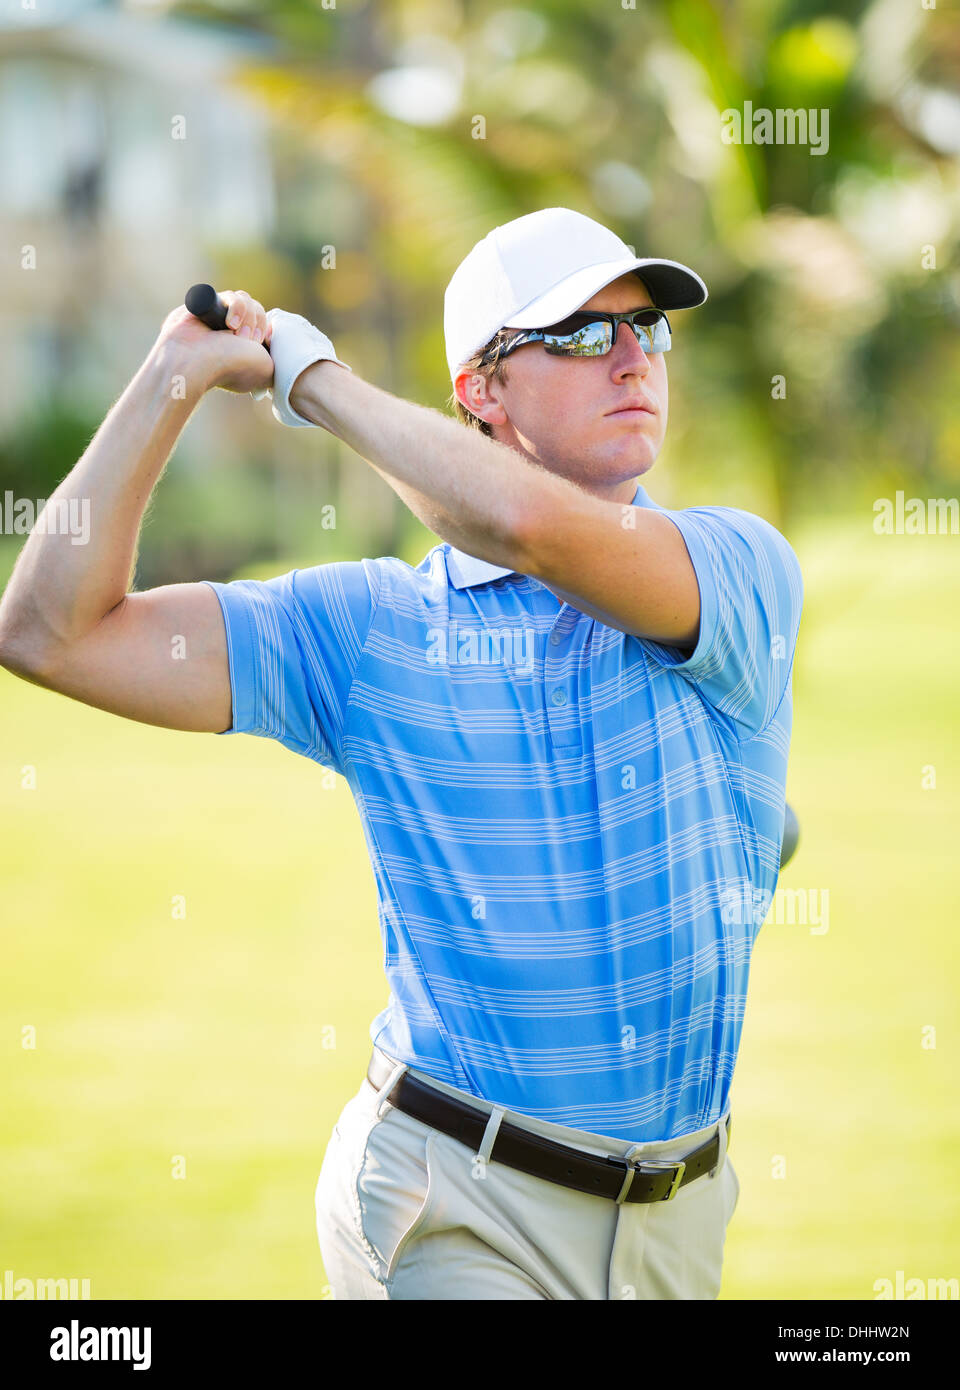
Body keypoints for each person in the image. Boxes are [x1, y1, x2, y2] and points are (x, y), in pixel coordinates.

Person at [0, 207, 803, 1301]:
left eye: (647, 329)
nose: (632, 358)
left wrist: (310, 378)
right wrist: (173, 377)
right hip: (451, 1202)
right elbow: (49, 630)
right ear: (480, 391)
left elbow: (534, 530)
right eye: (578, 335)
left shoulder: (740, 568)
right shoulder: (370, 629)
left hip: (679, 1222)